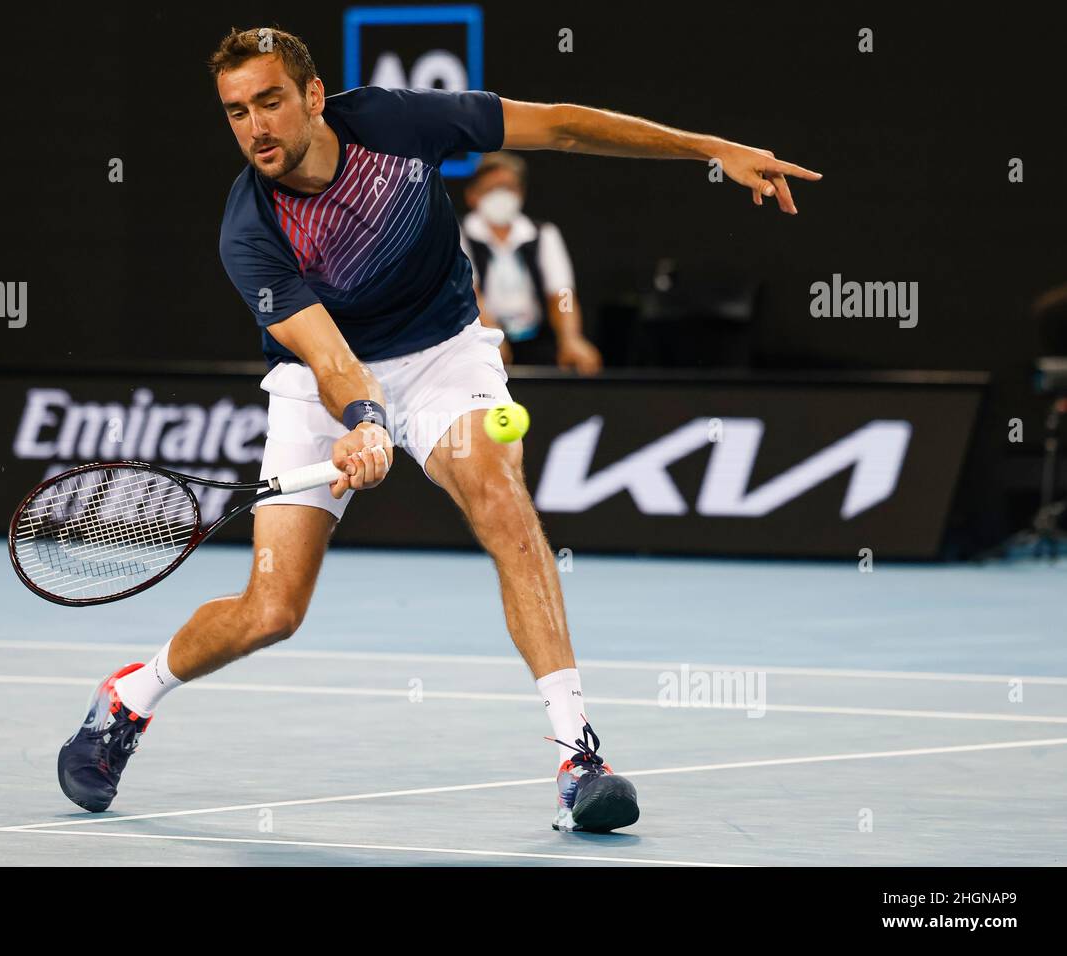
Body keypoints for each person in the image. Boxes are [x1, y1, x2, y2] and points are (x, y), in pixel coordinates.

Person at [57, 26, 820, 833]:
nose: (256, 128)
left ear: (314, 97)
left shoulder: (399, 123)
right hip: (325, 385)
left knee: (501, 499)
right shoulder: (250, 230)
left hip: (444, 355)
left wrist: (710, 148)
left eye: (271, 102)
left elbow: (560, 124)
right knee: (272, 610)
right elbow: (329, 358)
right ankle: (130, 697)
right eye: (237, 111)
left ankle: (577, 755)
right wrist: (364, 421)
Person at [461, 151, 603, 374]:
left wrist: (570, 337)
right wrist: (489, 334)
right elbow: (471, 292)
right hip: (484, 338)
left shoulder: (543, 234)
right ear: (472, 195)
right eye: (491, 189)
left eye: (508, 188)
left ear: (521, 193)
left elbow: (562, 293)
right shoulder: (460, 235)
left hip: (535, 338)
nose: (501, 196)